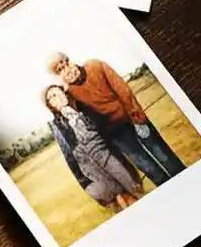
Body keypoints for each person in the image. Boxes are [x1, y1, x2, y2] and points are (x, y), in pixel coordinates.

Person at [47, 52, 186, 187]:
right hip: (117, 136)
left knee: (164, 155)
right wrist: (64, 91)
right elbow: (73, 115)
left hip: (133, 119)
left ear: (70, 60)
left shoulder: (95, 66)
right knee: (148, 167)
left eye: (66, 63)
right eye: (60, 70)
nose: (66, 69)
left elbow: (123, 90)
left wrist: (138, 119)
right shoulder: (70, 93)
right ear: (58, 76)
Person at [44, 85, 144, 211]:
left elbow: (102, 127)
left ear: (64, 95)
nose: (57, 97)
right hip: (91, 166)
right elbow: (68, 154)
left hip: (105, 154)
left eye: (58, 93)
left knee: (132, 187)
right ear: (51, 105)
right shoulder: (57, 125)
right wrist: (82, 180)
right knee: (117, 199)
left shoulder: (80, 107)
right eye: (52, 97)